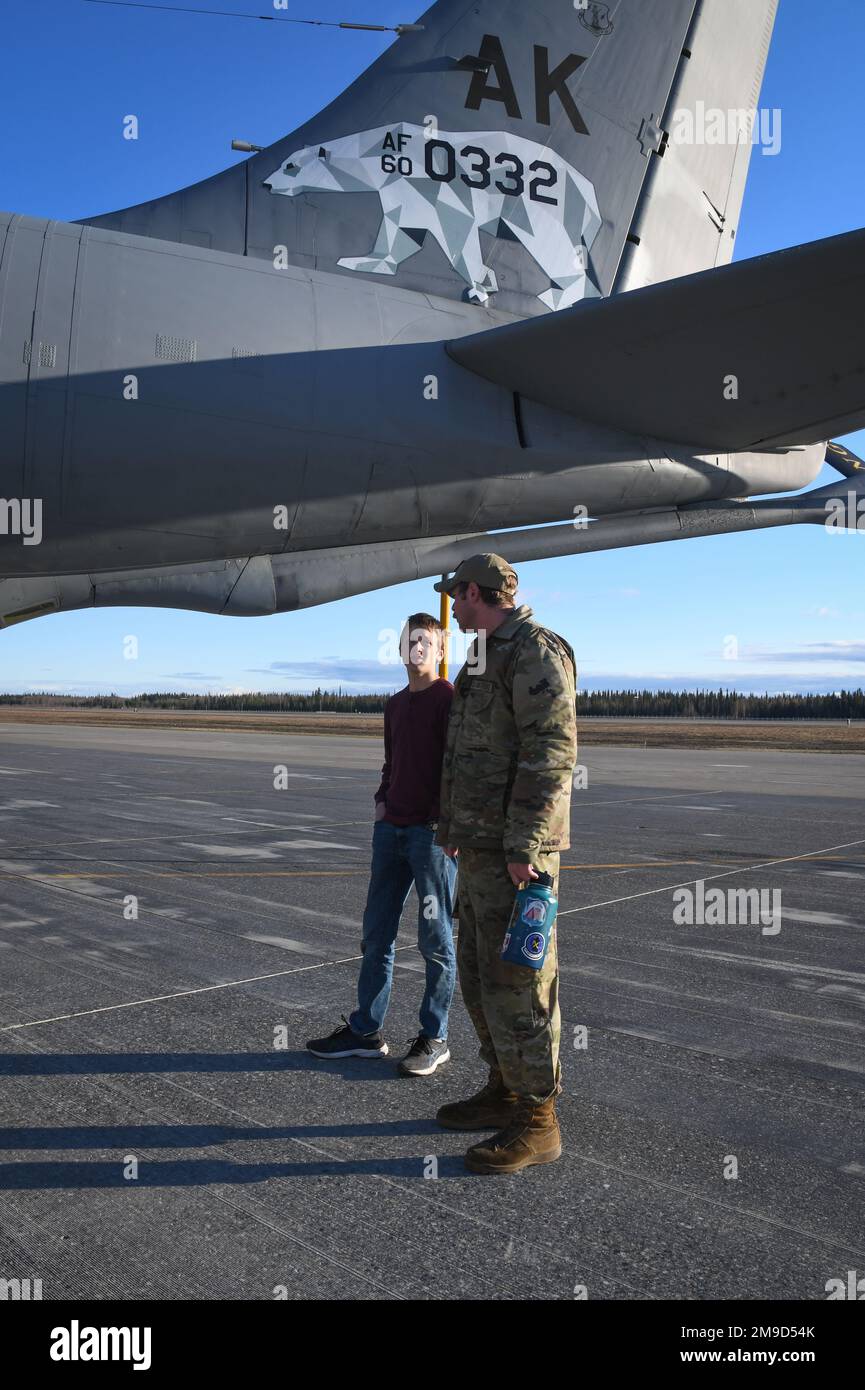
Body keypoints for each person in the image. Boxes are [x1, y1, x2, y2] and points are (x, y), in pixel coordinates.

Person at [432, 554, 577, 1172]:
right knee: (476, 974)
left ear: (474, 591)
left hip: (517, 851)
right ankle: (505, 1089)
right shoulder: (481, 652)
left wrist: (527, 844)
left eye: (456, 597)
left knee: (519, 982)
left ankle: (538, 1120)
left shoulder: (535, 652)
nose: (452, 607)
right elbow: (463, 743)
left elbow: (550, 751)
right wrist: (452, 824)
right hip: (480, 846)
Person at [306, 614, 457, 1076]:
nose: (417, 649)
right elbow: (391, 763)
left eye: (426, 642)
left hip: (431, 836)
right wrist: (381, 802)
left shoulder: (449, 700)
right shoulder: (394, 705)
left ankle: (435, 1037)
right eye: (411, 641)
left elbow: (459, 768)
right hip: (390, 831)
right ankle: (366, 1032)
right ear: (399, 649)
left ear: (440, 650)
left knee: (436, 941)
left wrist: (449, 825)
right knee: (376, 935)